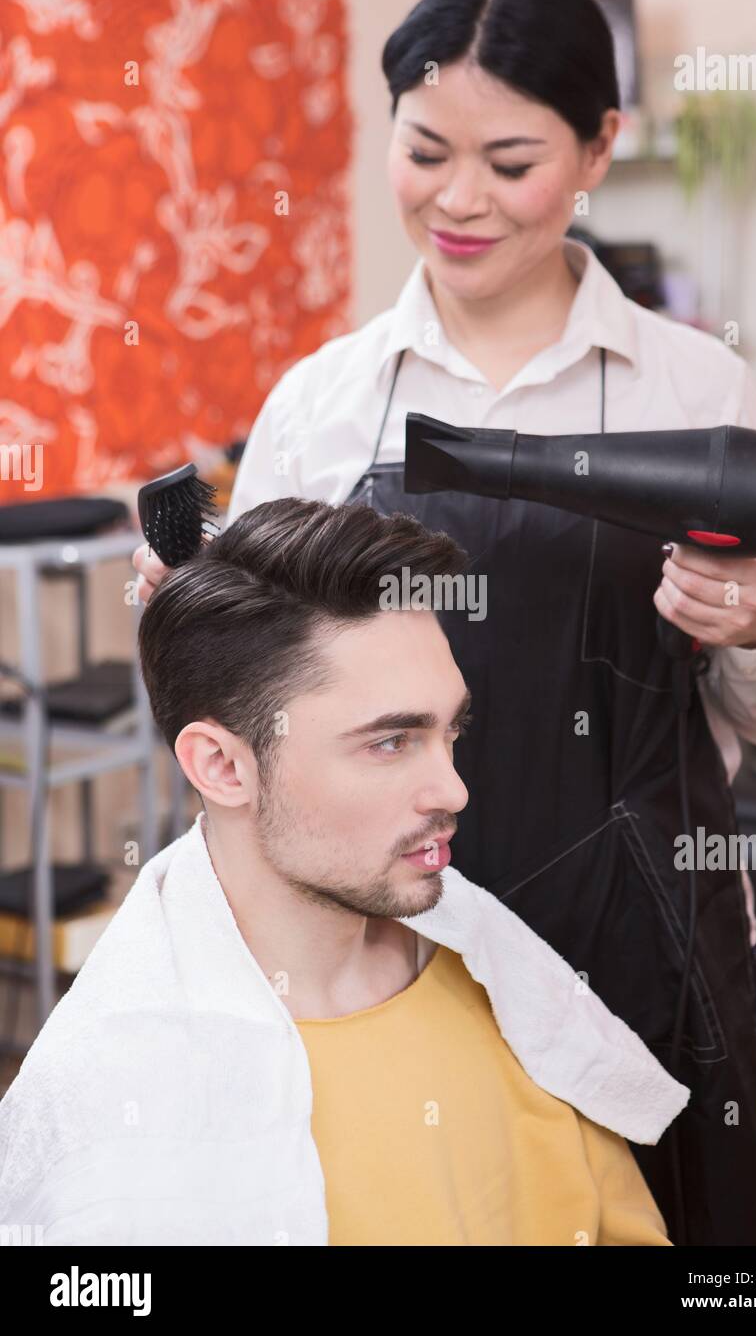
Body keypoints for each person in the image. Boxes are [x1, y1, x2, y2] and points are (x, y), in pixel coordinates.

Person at [133, 0, 756, 1244]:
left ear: (595, 150)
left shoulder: (686, 385)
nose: (457, 200)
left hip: (650, 928)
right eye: (424, 151)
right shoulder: (326, 401)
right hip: (397, 931)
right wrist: (185, 621)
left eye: (510, 161)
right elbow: (252, 702)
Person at [0, 498, 688, 1246]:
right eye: (390, 743)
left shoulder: (501, 977)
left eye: (450, 731)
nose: (454, 791)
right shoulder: (113, 1113)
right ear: (223, 766)